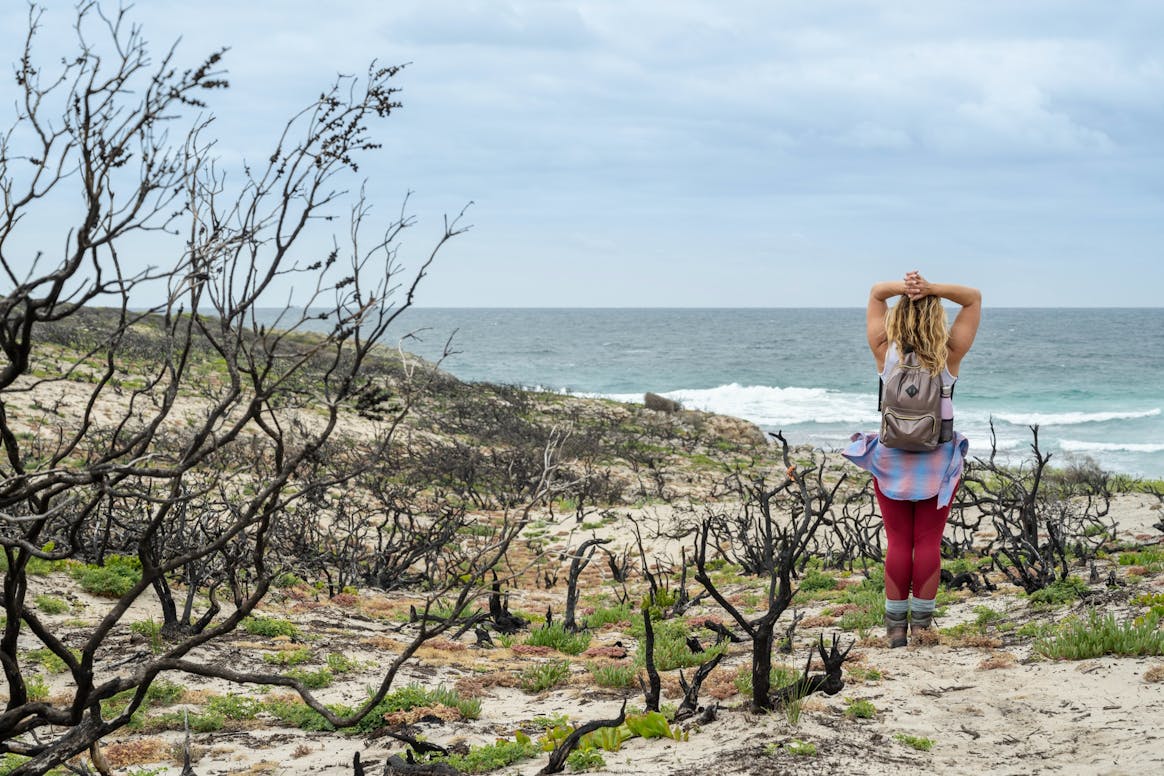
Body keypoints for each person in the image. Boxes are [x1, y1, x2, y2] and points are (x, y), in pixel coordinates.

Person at [843, 271, 982, 647]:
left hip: (890, 462)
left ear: (897, 316)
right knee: (928, 543)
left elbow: (875, 292)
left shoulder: (882, 349)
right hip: (936, 463)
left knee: (899, 542)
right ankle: (921, 626)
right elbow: (972, 298)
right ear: (937, 317)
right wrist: (931, 289)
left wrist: (906, 289)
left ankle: (894, 630)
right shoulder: (948, 353)